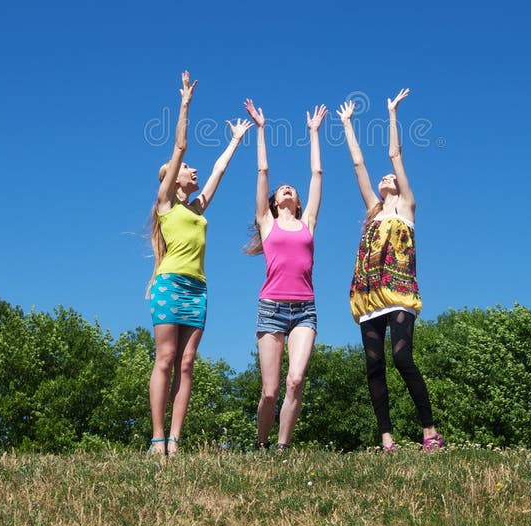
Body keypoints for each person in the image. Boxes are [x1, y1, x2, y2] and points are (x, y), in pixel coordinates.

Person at [147, 71, 252, 456]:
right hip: (170, 283)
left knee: (187, 363)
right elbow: (179, 146)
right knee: (166, 358)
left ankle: (175, 440)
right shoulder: (165, 204)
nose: (194, 170)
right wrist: (185, 103)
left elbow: (219, 172)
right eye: (188, 169)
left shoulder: (196, 208)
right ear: (174, 180)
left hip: (198, 288)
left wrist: (237, 140)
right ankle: (157, 438)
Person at [337, 88, 444, 452]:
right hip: (368, 297)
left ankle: (429, 432)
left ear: (398, 185)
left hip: (398, 293)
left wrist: (392, 114)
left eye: (390, 177)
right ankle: (386, 439)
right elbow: (357, 165)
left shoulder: (407, 207)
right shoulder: (372, 209)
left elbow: (394, 154)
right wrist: (347, 124)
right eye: (382, 178)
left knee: (402, 358)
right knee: (374, 367)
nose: (385, 178)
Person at [243, 98, 327, 450]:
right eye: (283, 189)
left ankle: (281, 448)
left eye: (292, 189)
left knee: (296, 382)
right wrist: (261, 130)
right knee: (270, 390)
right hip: (272, 308)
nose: (289, 188)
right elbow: (263, 173)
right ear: (276, 201)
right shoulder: (267, 223)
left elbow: (317, 175)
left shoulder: (308, 223)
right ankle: (261, 445)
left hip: (304, 309)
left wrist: (313, 133)